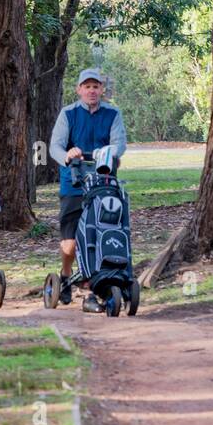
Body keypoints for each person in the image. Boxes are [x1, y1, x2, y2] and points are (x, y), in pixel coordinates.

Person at [49, 68, 127, 311]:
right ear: (79, 89)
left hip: (103, 184)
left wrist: (109, 153)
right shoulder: (68, 114)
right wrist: (68, 154)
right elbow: (55, 147)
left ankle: (89, 289)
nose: (92, 90)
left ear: (102, 89)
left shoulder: (113, 113)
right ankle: (65, 274)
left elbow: (119, 145)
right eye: (87, 86)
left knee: (97, 234)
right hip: (73, 183)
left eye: (96, 86)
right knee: (71, 242)